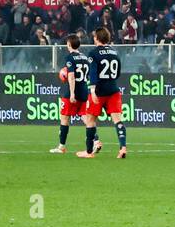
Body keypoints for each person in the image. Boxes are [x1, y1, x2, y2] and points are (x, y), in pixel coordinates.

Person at [79, 27, 127, 159]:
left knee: (90, 119)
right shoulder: (114, 52)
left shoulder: (93, 53)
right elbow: (117, 73)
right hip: (113, 89)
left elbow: (93, 73)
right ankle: (123, 148)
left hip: (99, 91)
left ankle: (89, 152)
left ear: (96, 38)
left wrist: (93, 90)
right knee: (117, 120)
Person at [51, 35, 91, 154]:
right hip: (84, 89)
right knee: (85, 116)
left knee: (64, 117)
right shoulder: (85, 57)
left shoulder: (70, 58)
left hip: (72, 91)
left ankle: (61, 146)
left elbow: (71, 76)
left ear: (69, 44)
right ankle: (96, 140)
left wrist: (72, 93)